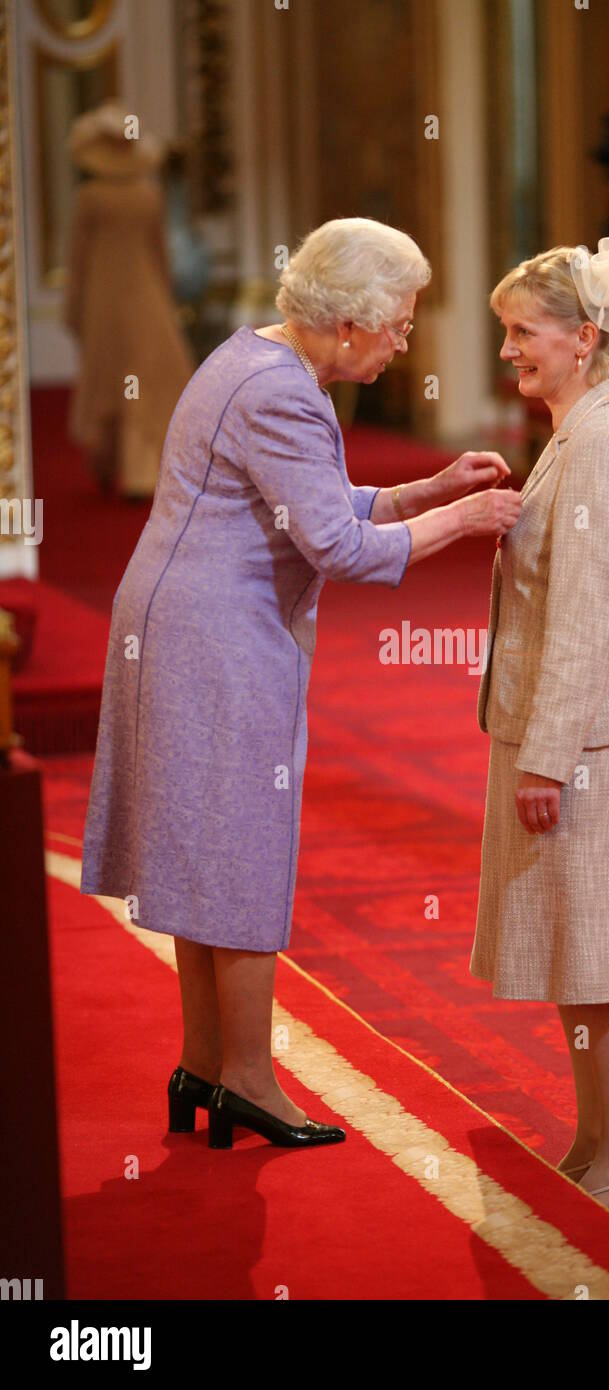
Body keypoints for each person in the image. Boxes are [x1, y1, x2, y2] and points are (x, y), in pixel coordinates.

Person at [80, 217, 521, 1152]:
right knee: (237, 850)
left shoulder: (257, 361)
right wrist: (472, 516)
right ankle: (244, 1076)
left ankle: (204, 1064)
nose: (405, 340)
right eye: (399, 322)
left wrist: (430, 490)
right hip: (214, 639)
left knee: (204, 852)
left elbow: (312, 501)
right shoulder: (281, 394)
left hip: (181, 623)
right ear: (351, 322)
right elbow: (336, 546)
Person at [472, 236, 609, 1219]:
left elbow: (584, 619)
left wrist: (544, 759)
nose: (506, 350)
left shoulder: (591, 445)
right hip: (574, 728)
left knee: (593, 946)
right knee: (571, 948)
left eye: (521, 332)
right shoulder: (575, 430)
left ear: (582, 337)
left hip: (582, 738)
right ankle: (594, 1139)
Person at [64, 101, 196, 499]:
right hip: (146, 297)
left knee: (110, 376)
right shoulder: (149, 195)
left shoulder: (91, 197)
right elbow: (160, 255)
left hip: (103, 298)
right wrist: (167, 300)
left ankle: (112, 460)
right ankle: (141, 471)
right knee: (145, 379)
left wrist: (74, 306)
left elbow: (78, 258)